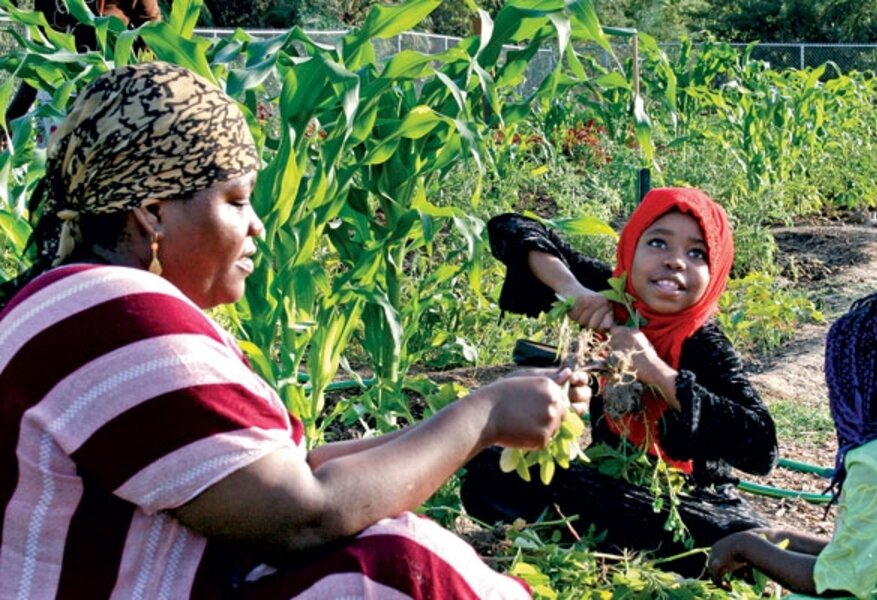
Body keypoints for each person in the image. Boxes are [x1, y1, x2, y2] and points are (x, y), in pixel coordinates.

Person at [0, 62, 593, 598]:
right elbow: (304, 517)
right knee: (395, 566)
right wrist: (484, 417)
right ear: (152, 212)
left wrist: (487, 413)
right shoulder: (117, 315)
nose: (257, 226)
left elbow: (294, 469)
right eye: (236, 200)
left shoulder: (84, 305)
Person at [461, 188, 779, 571]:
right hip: (607, 483)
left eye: (697, 253)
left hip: (688, 502)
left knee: (726, 535)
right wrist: (573, 291)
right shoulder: (615, 296)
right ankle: (638, 549)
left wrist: (657, 372)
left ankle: (725, 552)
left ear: (715, 272)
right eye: (658, 243)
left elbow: (762, 446)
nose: (675, 261)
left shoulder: (703, 343)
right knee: (488, 469)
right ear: (631, 248)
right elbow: (510, 229)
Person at [708, 292, 877, 599]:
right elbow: (870, 551)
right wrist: (786, 538)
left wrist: (747, 547)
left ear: (850, 380)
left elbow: (840, 581)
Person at [5, 0, 162, 127]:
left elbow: (152, 36)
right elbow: (42, 58)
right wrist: (13, 116)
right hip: (56, 100)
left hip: (111, 99)